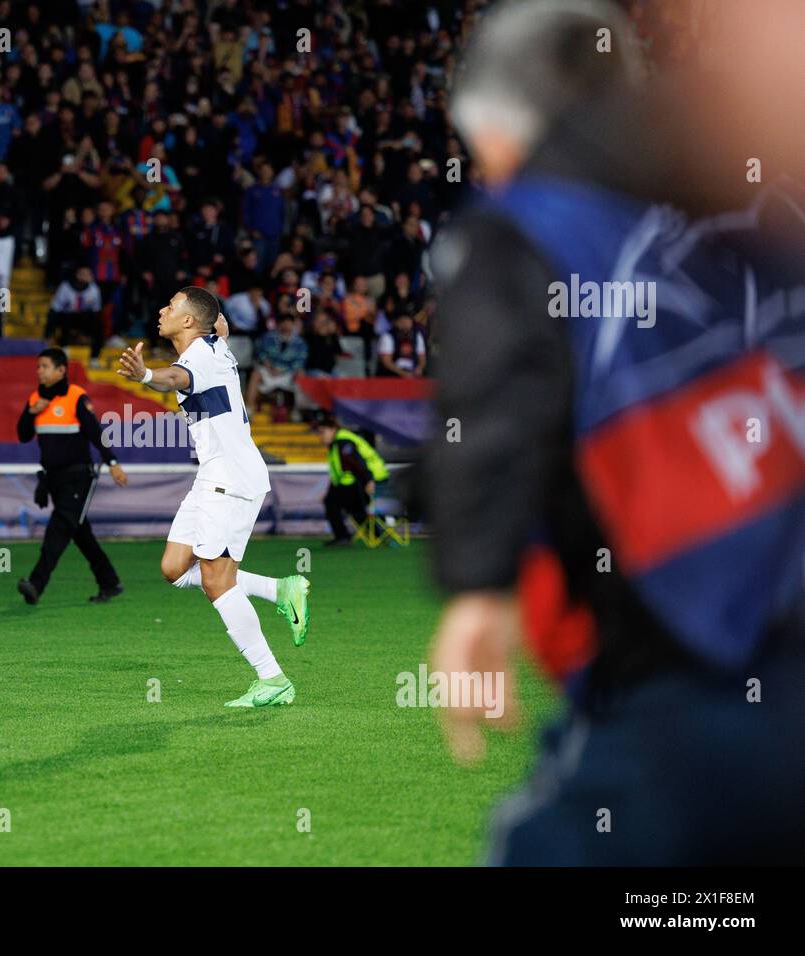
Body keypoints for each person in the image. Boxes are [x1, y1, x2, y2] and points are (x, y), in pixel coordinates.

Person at [427, 0, 805, 864]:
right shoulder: (753, 188)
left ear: (500, 134)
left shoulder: (523, 230)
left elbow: (495, 394)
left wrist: (477, 589)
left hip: (680, 658)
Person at [117, 287, 310, 708]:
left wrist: (146, 376)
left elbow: (176, 378)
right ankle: (281, 590)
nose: (162, 310)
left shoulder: (200, 357)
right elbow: (217, 330)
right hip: (212, 478)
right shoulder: (214, 345)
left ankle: (272, 679)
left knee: (215, 580)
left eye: (171, 306)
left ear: (189, 322)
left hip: (231, 479)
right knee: (173, 568)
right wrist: (219, 326)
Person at [16, 347, 126, 605]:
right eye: (38, 367)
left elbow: (95, 432)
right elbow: (22, 435)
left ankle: (36, 584)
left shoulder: (76, 397)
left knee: (58, 528)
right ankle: (109, 582)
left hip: (78, 477)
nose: (39, 371)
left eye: (44, 366)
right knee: (79, 532)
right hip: (53, 478)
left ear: (61, 370)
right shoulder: (36, 399)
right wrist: (30, 412)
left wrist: (112, 462)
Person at [316, 416, 389, 547]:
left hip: (369, 477)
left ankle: (345, 536)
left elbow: (359, 463)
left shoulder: (343, 442)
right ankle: (375, 534)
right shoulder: (337, 442)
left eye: (323, 431)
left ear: (333, 429)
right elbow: (340, 471)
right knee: (345, 505)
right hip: (355, 479)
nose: (320, 436)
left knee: (336, 503)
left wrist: (369, 480)